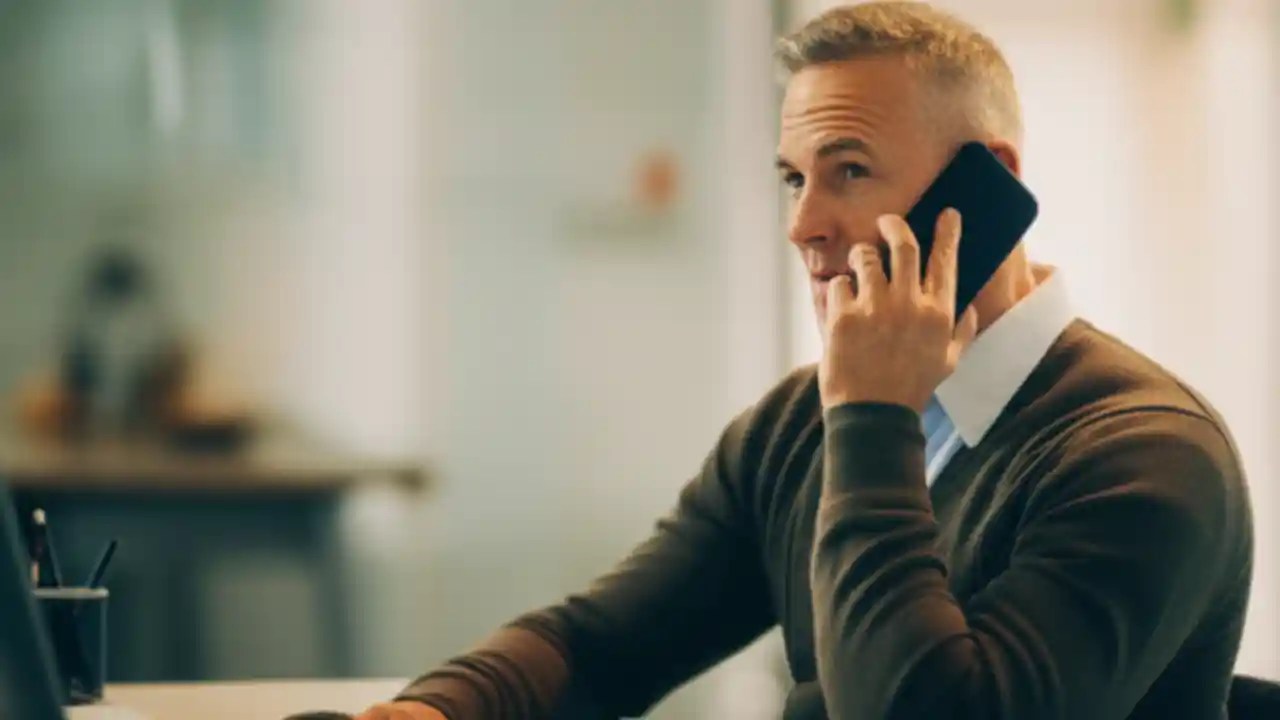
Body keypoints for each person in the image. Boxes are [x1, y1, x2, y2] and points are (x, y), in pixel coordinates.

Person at [355, 2, 1254, 718]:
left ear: (989, 186)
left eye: (849, 171)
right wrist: (437, 710)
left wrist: (872, 421)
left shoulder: (1144, 456)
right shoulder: (798, 425)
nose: (804, 226)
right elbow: (603, 647)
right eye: (795, 177)